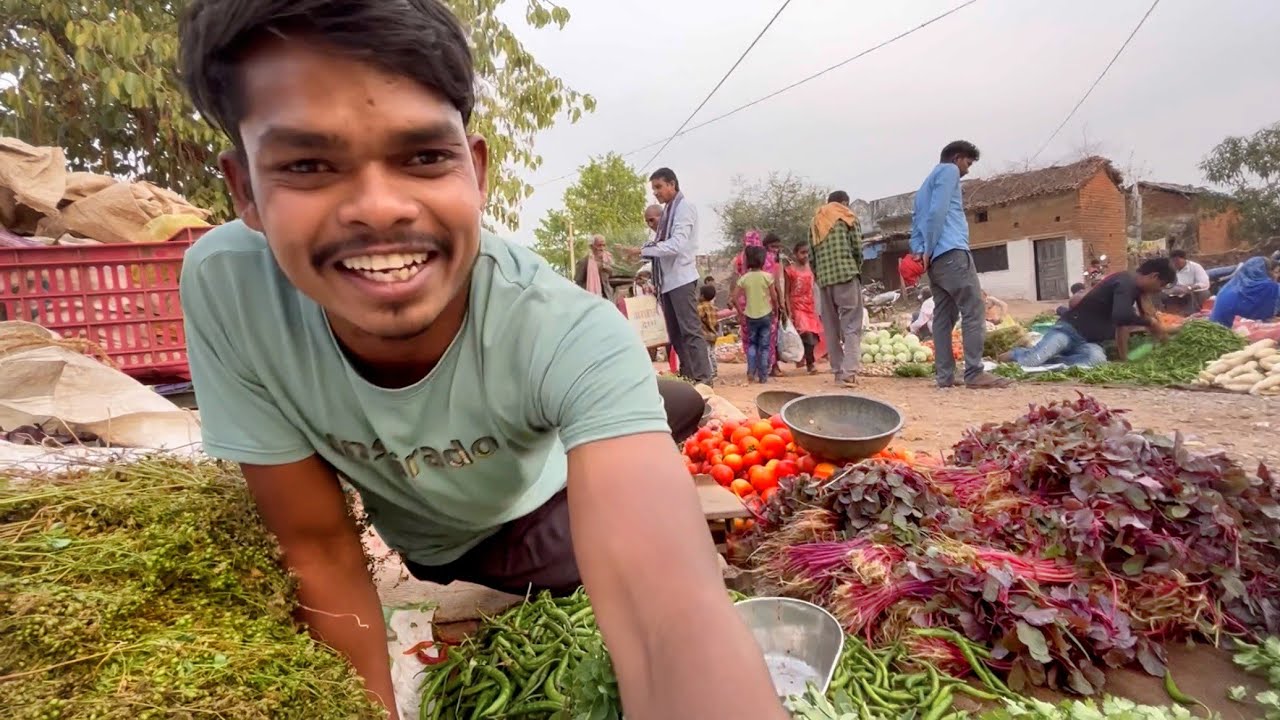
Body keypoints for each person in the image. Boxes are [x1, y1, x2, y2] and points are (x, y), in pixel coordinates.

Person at [175, 3, 783, 719]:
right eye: (307, 164)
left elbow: (669, 612)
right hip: (425, 535)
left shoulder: (569, 327)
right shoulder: (228, 286)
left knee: (649, 412)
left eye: (424, 157)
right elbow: (318, 550)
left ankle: (630, 418)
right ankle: (641, 411)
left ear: (477, 168)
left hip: (539, 524)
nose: (378, 209)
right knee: (660, 398)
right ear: (243, 188)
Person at [910, 141, 1009, 389]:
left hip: (935, 262)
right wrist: (931, 247)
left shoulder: (923, 187)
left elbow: (917, 224)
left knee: (944, 316)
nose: (968, 170)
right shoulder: (948, 171)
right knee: (974, 307)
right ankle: (974, 372)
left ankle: (944, 376)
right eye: (968, 162)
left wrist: (922, 252)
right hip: (952, 251)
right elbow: (937, 213)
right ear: (957, 158)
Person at [1004, 258, 1176, 368]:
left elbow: (1121, 326)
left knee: (1097, 361)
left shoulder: (1135, 291)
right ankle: (1018, 354)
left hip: (1089, 342)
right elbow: (1121, 317)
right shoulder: (1125, 282)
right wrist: (1151, 323)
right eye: (1161, 285)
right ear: (1154, 276)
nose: (1158, 290)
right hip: (1068, 331)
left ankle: (1052, 360)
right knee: (1031, 361)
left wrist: (1124, 359)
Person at [632, 168, 713, 385]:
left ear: (672, 184)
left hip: (682, 278)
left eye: (659, 187)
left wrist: (643, 250)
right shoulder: (668, 212)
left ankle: (704, 379)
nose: (656, 193)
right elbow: (662, 248)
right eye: (654, 189)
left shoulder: (684, 208)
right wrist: (643, 253)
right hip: (667, 282)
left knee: (690, 331)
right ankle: (688, 378)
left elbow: (676, 245)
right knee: (676, 335)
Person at [808, 191, 865, 387]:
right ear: (843, 202)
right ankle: (849, 373)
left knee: (831, 328)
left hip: (824, 281)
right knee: (851, 326)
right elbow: (857, 248)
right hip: (846, 276)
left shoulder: (816, 221)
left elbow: (811, 256)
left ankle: (838, 371)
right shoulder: (847, 216)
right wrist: (856, 269)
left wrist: (819, 276)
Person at [732, 230, 785, 378]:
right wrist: (778, 306)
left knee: (750, 342)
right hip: (766, 309)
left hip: (747, 309)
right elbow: (775, 290)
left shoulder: (740, 260)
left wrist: (739, 311)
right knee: (766, 343)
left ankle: (751, 370)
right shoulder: (768, 260)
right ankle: (765, 372)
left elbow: (734, 291)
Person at [785, 240, 824, 374]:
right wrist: (788, 310)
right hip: (797, 306)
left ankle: (807, 360)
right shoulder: (789, 271)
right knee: (806, 334)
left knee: (813, 335)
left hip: (810, 306)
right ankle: (810, 364)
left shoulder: (811, 268)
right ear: (795, 254)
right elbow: (787, 292)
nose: (805, 255)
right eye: (802, 253)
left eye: (807, 252)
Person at [1210, 257, 1280, 327]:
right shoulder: (1270, 286)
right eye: (1275, 272)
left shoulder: (1227, 288)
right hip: (1243, 330)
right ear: (1265, 272)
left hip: (1220, 328)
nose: (1277, 275)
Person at [1168, 249, 1211, 313]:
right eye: (1173, 261)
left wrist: (1189, 287)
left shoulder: (1195, 267)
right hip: (1174, 294)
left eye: (1177, 261)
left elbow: (1204, 283)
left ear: (1184, 259)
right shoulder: (1170, 268)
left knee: (1204, 292)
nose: (1175, 264)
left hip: (1192, 293)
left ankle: (1196, 311)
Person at [574, 234, 613, 300]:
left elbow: (613, 276)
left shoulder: (608, 259)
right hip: (590, 299)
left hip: (607, 297)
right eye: (599, 245)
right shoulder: (584, 262)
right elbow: (578, 282)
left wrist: (607, 268)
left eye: (604, 245)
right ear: (592, 246)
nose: (602, 248)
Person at [698, 284, 720, 379]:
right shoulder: (714, 308)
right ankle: (715, 372)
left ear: (702, 296)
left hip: (704, 334)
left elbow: (696, 318)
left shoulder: (701, 307)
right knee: (712, 353)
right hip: (713, 335)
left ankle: (710, 373)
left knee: (706, 354)